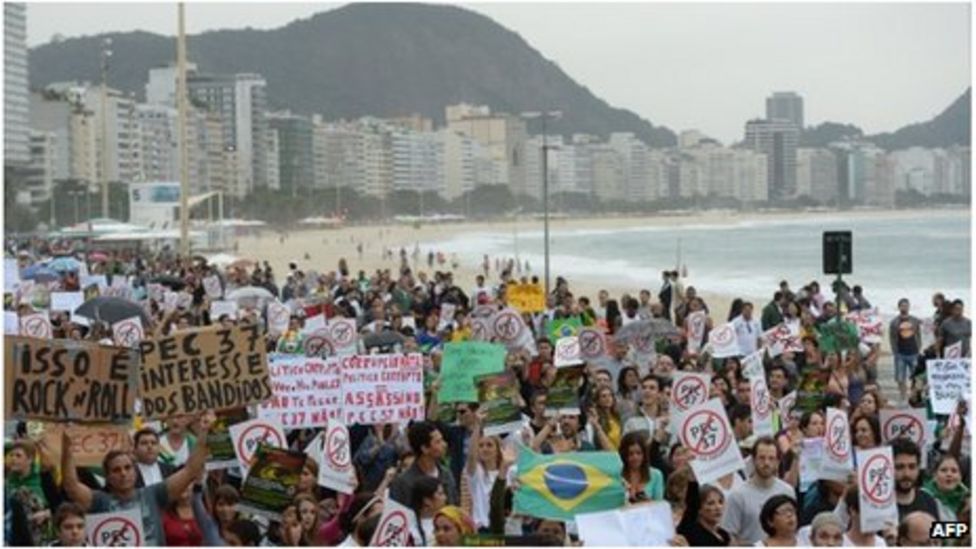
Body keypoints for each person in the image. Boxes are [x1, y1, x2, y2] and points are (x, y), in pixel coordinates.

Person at [59, 420, 210, 547]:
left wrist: (204, 432)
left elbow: (191, 470)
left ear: (135, 471)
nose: (123, 473)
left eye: (127, 468)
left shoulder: (154, 495)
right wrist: (67, 446)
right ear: (108, 477)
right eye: (116, 470)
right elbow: (71, 485)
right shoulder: (99, 501)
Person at [722, 437, 796, 545]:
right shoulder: (737, 495)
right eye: (762, 458)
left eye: (771, 458)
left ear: (777, 462)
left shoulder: (787, 492)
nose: (766, 463)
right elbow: (729, 535)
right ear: (753, 460)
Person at [389, 422, 460, 507]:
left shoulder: (446, 475)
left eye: (442, 440)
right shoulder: (402, 483)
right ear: (425, 448)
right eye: (438, 442)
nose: (444, 445)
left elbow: (455, 506)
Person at [892, 438, 940, 520]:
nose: (906, 474)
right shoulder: (877, 507)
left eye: (912, 467)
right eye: (899, 467)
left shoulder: (929, 501)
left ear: (918, 467)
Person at [889, 298, 922, 405]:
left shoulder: (914, 320)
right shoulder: (894, 322)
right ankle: (903, 397)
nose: (904, 307)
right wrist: (895, 351)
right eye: (902, 305)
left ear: (909, 307)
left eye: (906, 305)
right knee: (900, 378)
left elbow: (919, 334)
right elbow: (892, 337)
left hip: (913, 352)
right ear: (899, 307)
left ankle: (914, 397)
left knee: (916, 377)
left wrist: (919, 347)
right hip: (900, 353)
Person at [677, 481, 731, 546]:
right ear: (699, 509)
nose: (718, 507)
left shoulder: (724, 534)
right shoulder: (692, 532)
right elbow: (691, 505)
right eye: (711, 503)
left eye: (720, 502)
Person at [619, 431, 664, 502]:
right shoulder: (618, 475)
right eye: (630, 454)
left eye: (638, 453)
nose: (635, 457)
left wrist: (646, 501)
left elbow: (659, 505)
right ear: (624, 455)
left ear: (644, 454)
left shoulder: (656, 475)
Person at [923, 454, 969, 521]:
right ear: (934, 475)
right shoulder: (923, 497)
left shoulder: (968, 499)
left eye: (954, 471)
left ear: (960, 477)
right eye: (943, 470)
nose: (949, 474)